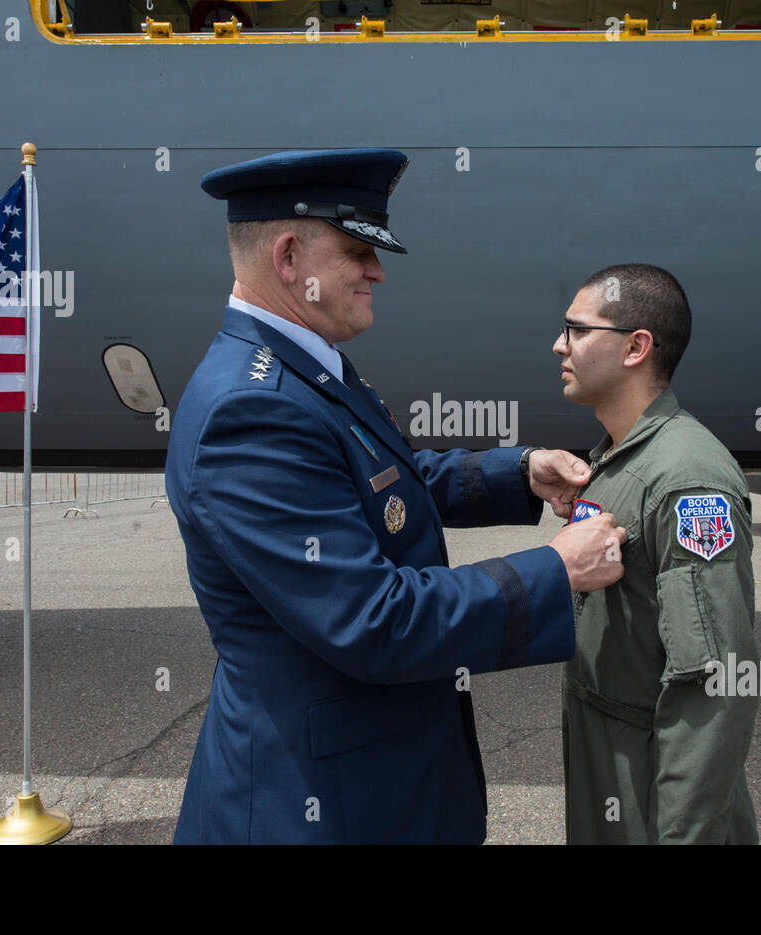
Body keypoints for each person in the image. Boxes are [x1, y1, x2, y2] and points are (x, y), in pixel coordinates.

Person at [165, 148, 627, 844]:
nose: (377, 269)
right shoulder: (249, 410)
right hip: (321, 802)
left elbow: (383, 484)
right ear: (289, 257)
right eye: (357, 250)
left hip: (371, 776)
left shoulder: (302, 364)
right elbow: (372, 620)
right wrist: (557, 571)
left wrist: (518, 472)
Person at [553, 263, 759, 844]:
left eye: (576, 328)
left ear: (636, 347)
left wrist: (685, 834)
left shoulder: (688, 479)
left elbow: (714, 682)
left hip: (648, 772)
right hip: (606, 750)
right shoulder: (619, 460)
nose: (558, 344)